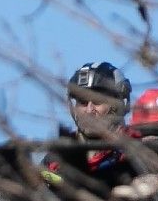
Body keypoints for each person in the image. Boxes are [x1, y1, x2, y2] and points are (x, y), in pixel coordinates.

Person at [43, 61, 138, 192]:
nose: (89, 110)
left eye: (98, 101)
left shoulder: (137, 150)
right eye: (82, 102)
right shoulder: (55, 160)